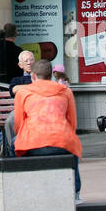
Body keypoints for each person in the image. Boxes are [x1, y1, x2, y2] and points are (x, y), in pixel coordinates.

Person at [14, 57, 82, 200]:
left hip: (32, 144)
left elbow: (19, 124)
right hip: (61, 143)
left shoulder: (23, 92)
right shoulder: (65, 91)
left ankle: (20, 188)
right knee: (72, 141)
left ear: (33, 75)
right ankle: (75, 193)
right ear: (51, 75)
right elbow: (72, 122)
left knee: (13, 143)